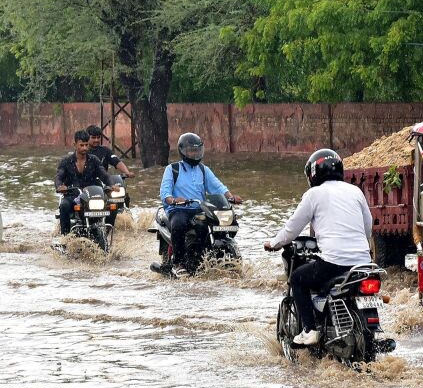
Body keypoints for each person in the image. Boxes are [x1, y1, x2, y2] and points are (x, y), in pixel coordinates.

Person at [264, 149, 374, 346]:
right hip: (363, 262)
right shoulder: (355, 191)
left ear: (313, 174)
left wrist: (274, 243)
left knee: (298, 278)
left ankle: (310, 330)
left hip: (334, 262)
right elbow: (368, 225)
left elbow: (292, 228)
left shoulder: (314, 194)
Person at [159, 133, 240, 273]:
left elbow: (217, 186)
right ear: (183, 151)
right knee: (178, 225)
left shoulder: (203, 169)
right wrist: (173, 200)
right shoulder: (172, 169)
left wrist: (230, 196)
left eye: (197, 150)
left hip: (199, 209)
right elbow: (165, 191)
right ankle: (179, 263)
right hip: (179, 209)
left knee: (221, 224)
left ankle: (208, 256)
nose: (195, 153)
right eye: (191, 150)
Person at [55, 129, 114, 235]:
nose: (85, 148)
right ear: (74, 144)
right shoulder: (66, 161)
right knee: (64, 205)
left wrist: (111, 185)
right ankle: (65, 237)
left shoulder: (94, 160)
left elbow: (104, 174)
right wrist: (60, 186)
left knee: (112, 205)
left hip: (91, 195)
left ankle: (105, 233)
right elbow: (59, 176)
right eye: (81, 145)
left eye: (86, 145)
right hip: (73, 195)